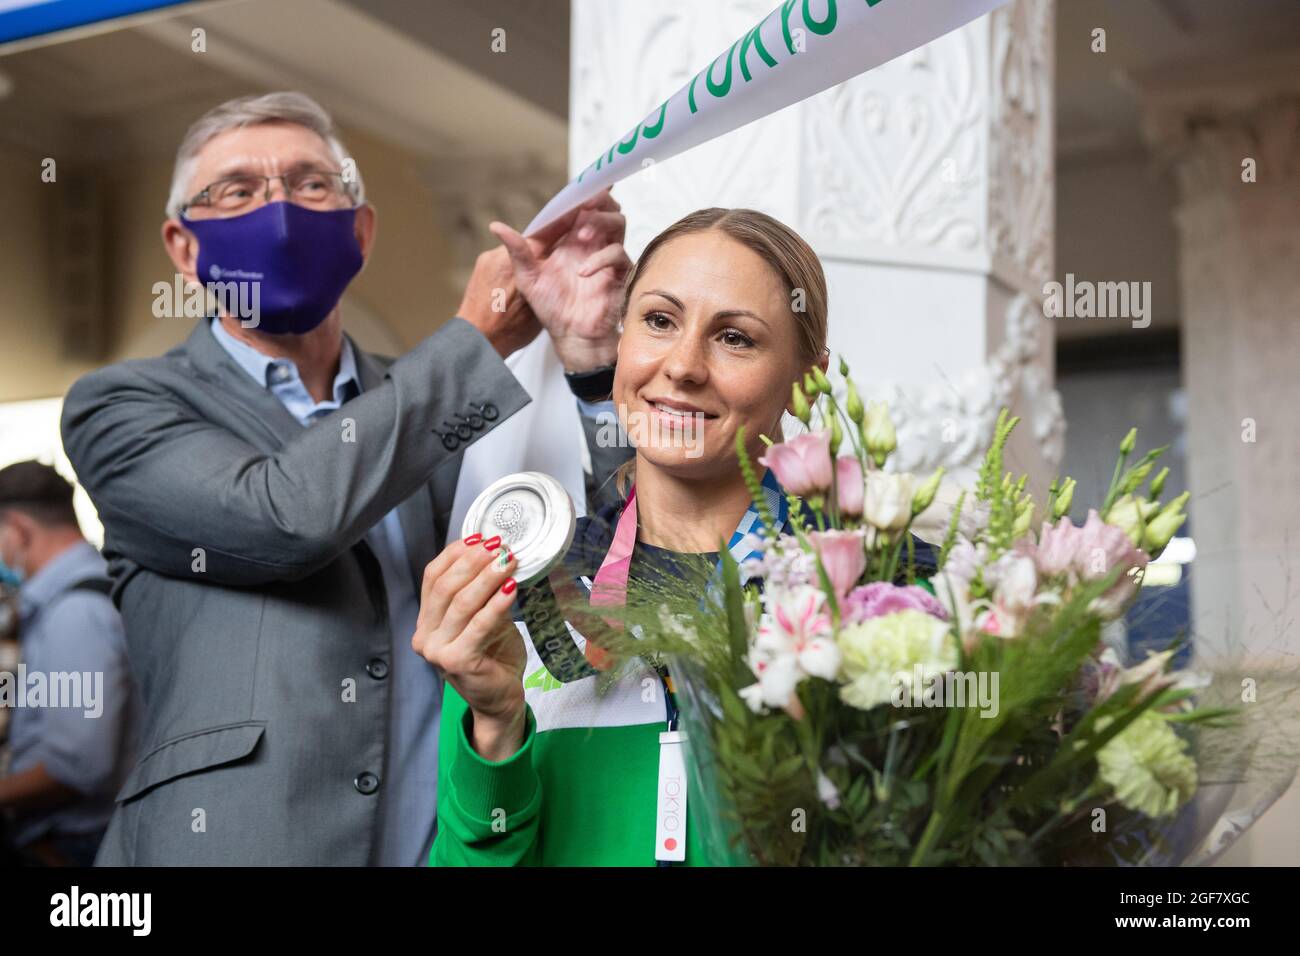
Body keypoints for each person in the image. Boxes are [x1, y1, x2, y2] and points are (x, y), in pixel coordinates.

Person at [60, 91, 632, 866]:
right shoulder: (123, 407)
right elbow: (282, 519)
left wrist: (594, 361)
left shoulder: (441, 407)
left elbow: (603, 553)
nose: (282, 211)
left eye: (311, 183)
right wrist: (475, 339)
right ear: (184, 247)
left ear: (360, 230)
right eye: (238, 190)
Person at [416, 208, 874, 865]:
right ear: (622, 339)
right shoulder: (528, 592)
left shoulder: (868, 594)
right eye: (660, 321)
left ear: (808, 379)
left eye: (735, 338)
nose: (684, 366)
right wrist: (495, 726)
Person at [0, 461, 140, 866]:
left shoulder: (76, 612)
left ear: (18, 529)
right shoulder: (81, 592)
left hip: (75, 843)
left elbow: (78, 770)